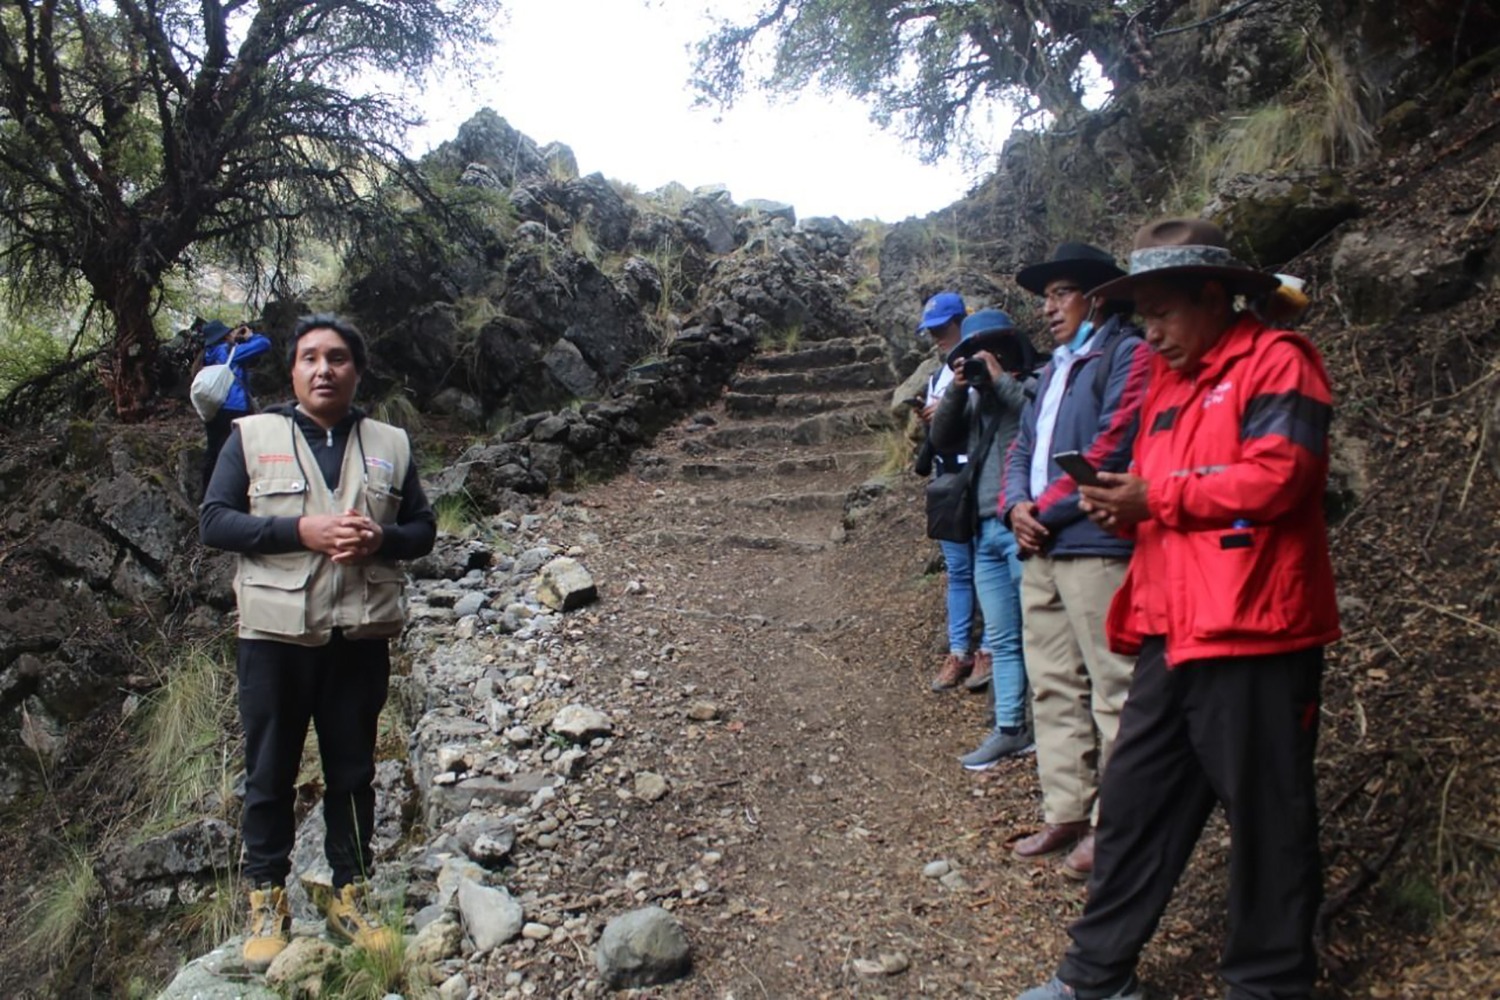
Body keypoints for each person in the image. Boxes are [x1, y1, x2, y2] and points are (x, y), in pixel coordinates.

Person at [1017, 219, 1340, 1000]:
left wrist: (1155, 497)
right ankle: (1095, 977)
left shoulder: (1277, 362)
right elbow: (1166, 496)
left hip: (1259, 630)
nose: (1150, 331)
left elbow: (1282, 477)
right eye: (1143, 314)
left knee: (1268, 819)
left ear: (1214, 295)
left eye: (1163, 311)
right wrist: (1125, 509)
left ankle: (1268, 985)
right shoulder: (1168, 381)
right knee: (1132, 806)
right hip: (1170, 627)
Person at [200, 314, 436, 971]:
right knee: (270, 773)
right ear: (293, 372)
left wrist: (381, 540)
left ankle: (349, 893)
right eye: (309, 358)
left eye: (337, 358)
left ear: (357, 372)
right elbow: (215, 522)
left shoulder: (390, 440)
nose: (323, 368)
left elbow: (423, 528)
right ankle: (266, 898)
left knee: (353, 772)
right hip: (274, 638)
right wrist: (302, 531)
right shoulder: (251, 437)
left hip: (358, 634)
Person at [1001, 243, 1151, 880]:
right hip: (1042, 549)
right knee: (1052, 683)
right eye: (1047, 296)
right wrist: (1013, 508)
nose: (1049, 307)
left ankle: (1113, 830)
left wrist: (1044, 512)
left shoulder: (1128, 353)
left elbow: (1112, 443)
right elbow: (1020, 449)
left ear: (1098, 296)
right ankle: (1065, 808)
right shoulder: (1053, 367)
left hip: (1096, 547)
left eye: (1061, 293)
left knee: (1115, 689)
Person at [930, 309, 1039, 768]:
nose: (979, 361)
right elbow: (940, 438)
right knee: (1003, 638)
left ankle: (1053, 730)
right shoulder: (972, 398)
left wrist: (1001, 381)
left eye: (988, 352)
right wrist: (957, 389)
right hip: (984, 529)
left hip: (1023, 526)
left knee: (1042, 635)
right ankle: (1010, 729)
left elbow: (1038, 420)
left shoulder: (1036, 385)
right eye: (972, 355)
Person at [914, 291, 991, 693]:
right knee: (960, 571)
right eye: (933, 330)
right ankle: (960, 650)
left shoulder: (986, 361)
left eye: (944, 327)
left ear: (963, 320)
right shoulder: (937, 374)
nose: (939, 336)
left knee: (987, 568)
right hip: (948, 482)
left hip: (980, 478)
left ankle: (990, 648)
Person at [197, 319, 272, 494]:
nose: (233, 333)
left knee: (214, 451)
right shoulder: (228, 352)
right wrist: (251, 336)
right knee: (238, 451)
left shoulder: (208, 354)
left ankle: (207, 494)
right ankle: (235, 493)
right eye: (229, 332)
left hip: (213, 408)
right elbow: (265, 344)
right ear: (223, 337)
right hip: (235, 407)